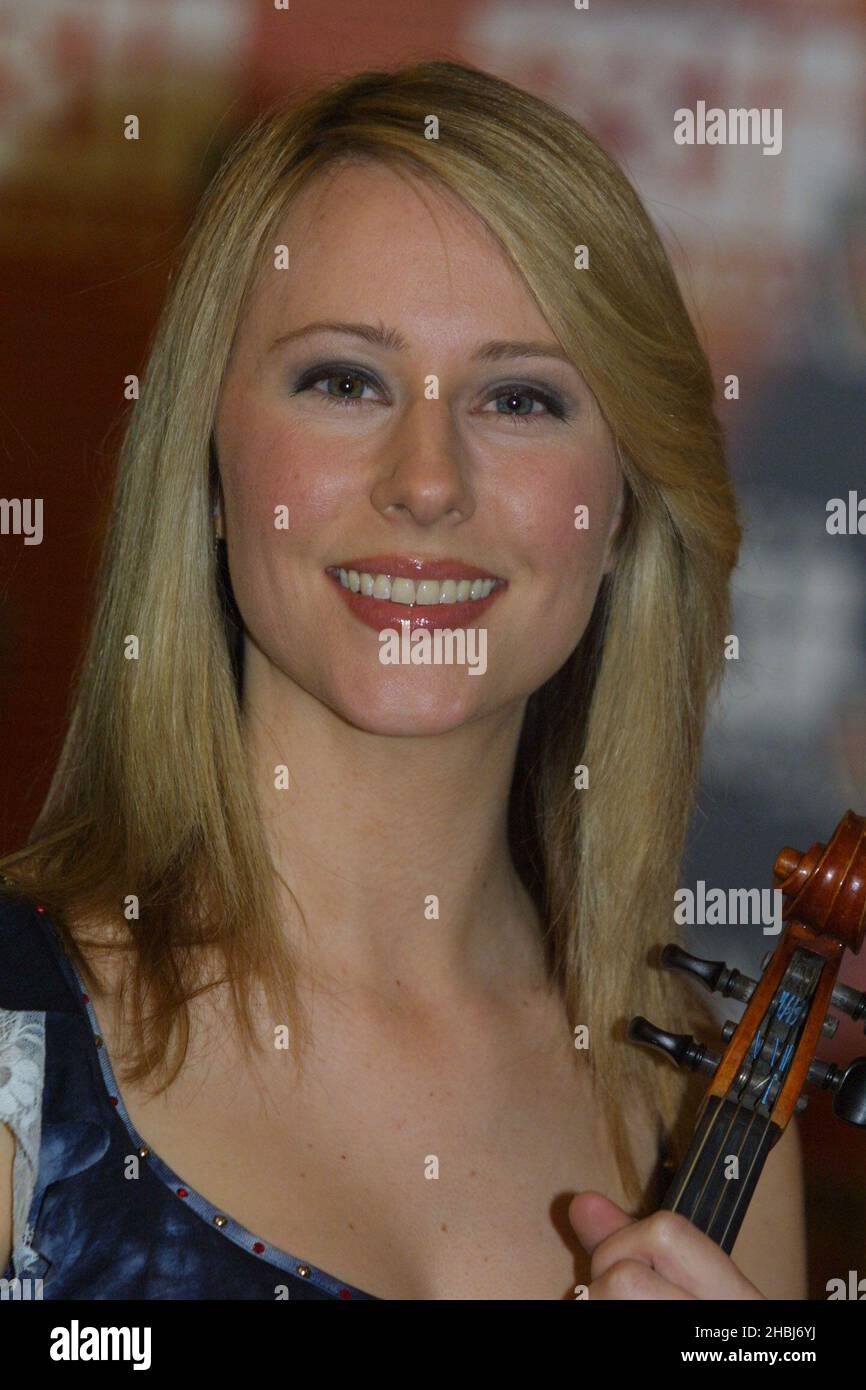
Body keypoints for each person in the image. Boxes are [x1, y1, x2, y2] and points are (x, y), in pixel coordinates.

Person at [0, 58, 806, 1301]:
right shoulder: (14, 1042)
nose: (425, 481)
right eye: (343, 380)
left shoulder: (707, 1110)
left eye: (519, 397)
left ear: (625, 509)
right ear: (209, 466)